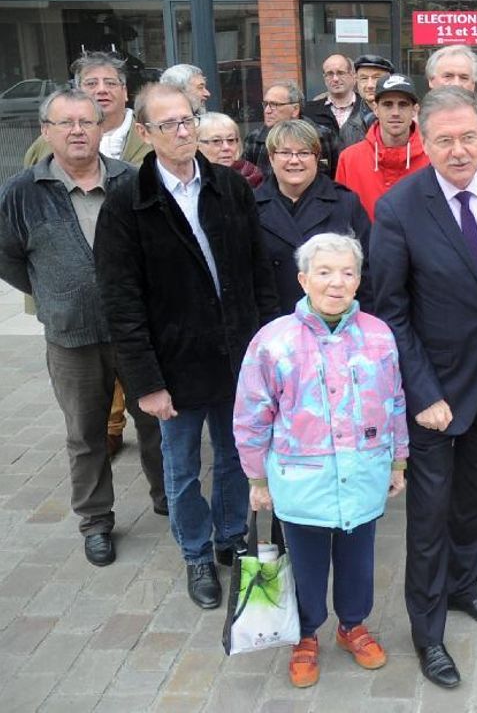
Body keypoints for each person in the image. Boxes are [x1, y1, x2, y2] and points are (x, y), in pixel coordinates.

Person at [370, 87, 477, 689]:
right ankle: (428, 630)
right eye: (444, 140)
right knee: (430, 513)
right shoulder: (399, 208)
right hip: (435, 393)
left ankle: (465, 586)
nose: (459, 150)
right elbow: (389, 312)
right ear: (422, 138)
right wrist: (422, 393)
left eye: (468, 137)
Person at [93, 83, 278, 609]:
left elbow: (257, 273)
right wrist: (146, 383)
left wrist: (267, 349)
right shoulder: (129, 201)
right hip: (173, 367)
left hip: (238, 357)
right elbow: (121, 303)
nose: (182, 131)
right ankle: (196, 552)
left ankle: (227, 539)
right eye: (168, 124)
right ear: (145, 133)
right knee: (181, 468)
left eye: (188, 120)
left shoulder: (229, 187)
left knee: (236, 457)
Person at [0, 89, 165, 567]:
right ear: (45, 131)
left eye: (87, 122)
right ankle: (95, 520)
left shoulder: (132, 181)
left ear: (102, 128)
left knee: (154, 423)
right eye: (65, 122)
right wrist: (54, 292)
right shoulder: (21, 192)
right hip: (72, 338)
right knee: (86, 433)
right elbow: (9, 257)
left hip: (136, 331)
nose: (77, 131)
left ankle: (167, 498)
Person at [234, 232, 407, 688]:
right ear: (303, 279)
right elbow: (251, 415)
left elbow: (395, 402)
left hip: (363, 471)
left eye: (347, 272)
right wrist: (257, 478)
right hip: (302, 479)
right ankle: (305, 633)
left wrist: (398, 462)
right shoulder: (273, 342)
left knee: (358, 557)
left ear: (358, 280)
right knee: (307, 562)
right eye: (325, 272)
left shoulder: (377, 334)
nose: (337, 283)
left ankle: (352, 625)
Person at [256, 119, 372, 311]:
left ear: (316, 157)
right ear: (270, 158)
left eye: (304, 153)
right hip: (276, 325)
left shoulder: (345, 203)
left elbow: (368, 272)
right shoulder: (251, 206)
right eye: (285, 152)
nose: (294, 160)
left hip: (336, 322)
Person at [24, 52, 152, 171]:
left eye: (110, 83)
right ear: (77, 92)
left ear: (124, 92)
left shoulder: (152, 136)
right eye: (91, 84)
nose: (102, 90)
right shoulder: (49, 140)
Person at [335, 73, 429, 220]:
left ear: (415, 110)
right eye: (387, 104)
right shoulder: (349, 159)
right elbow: (341, 216)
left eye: (403, 104)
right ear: (376, 109)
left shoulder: (433, 158)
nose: (395, 113)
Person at [242, 81, 341, 178]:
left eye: (274, 105)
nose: (267, 111)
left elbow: (336, 178)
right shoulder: (254, 140)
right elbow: (248, 183)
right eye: (265, 104)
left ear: (295, 110)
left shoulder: (324, 136)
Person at [303, 53, 369, 142]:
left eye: (340, 73)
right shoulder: (308, 112)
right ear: (324, 78)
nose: (335, 79)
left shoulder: (368, 108)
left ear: (353, 75)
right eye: (329, 74)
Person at [197, 112, 263, 187]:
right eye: (216, 141)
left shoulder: (254, 177)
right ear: (196, 146)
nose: (226, 147)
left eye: (231, 140)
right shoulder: (189, 181)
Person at [342, 54, 395, 147]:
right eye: (364, 78)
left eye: (376, 78)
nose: (370, 85)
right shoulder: (348, 128)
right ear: (356, 81)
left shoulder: (405, 120)